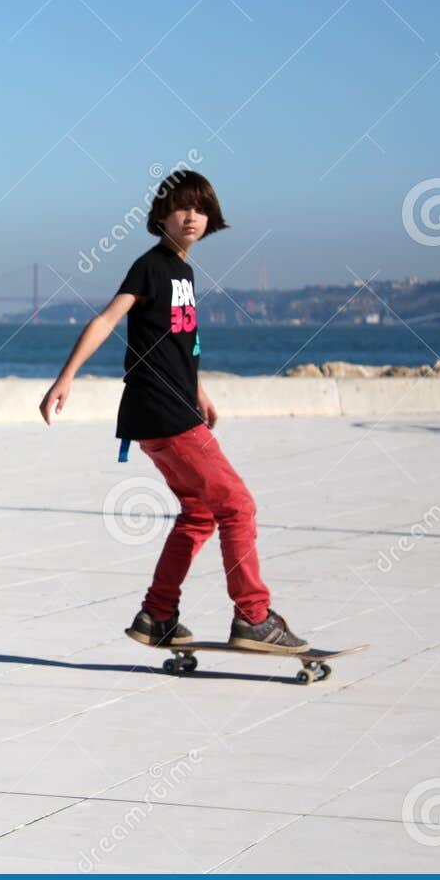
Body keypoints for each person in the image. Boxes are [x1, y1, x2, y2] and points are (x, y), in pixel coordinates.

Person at [38, 170, 306, 653]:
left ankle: (157, 614)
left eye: (200, 209)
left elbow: (180, 342)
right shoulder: (152, 266)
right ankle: (254, 617)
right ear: (160, 215)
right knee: (238, 506)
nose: (191, 217)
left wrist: (198, 390)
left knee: (200, 514)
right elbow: (106, 318)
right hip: (163, 412)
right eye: (181, 207)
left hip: (170, 409)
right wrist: (67, 376)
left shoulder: (184, 272)